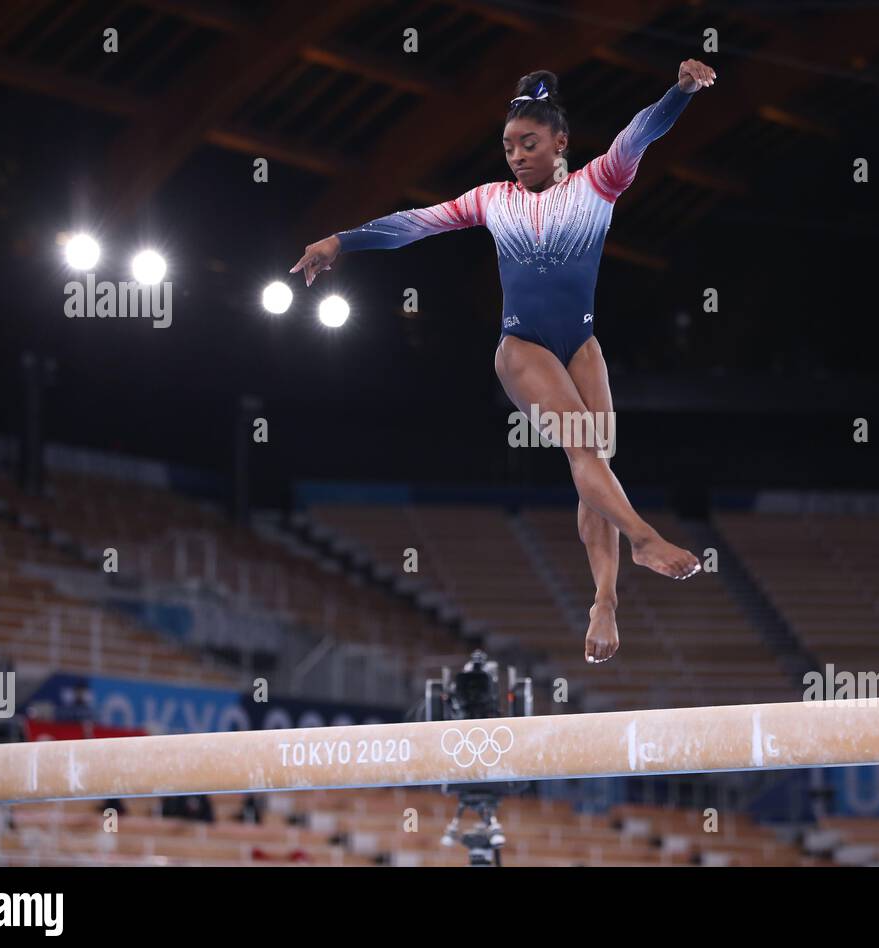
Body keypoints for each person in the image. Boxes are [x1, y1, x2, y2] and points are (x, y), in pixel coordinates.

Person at [292, 60, 718, 665]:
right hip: (523, 348)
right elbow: (413, 224)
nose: (516, 155)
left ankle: (605, 602)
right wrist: (342, 240)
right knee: (582, 450)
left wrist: (680, 91)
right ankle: (644, 537)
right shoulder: (491, 200)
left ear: (560, 143)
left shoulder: (599, 183)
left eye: (529, 144)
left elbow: (641, 131)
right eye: (509, 147)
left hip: (582, 347)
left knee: (596, 468)